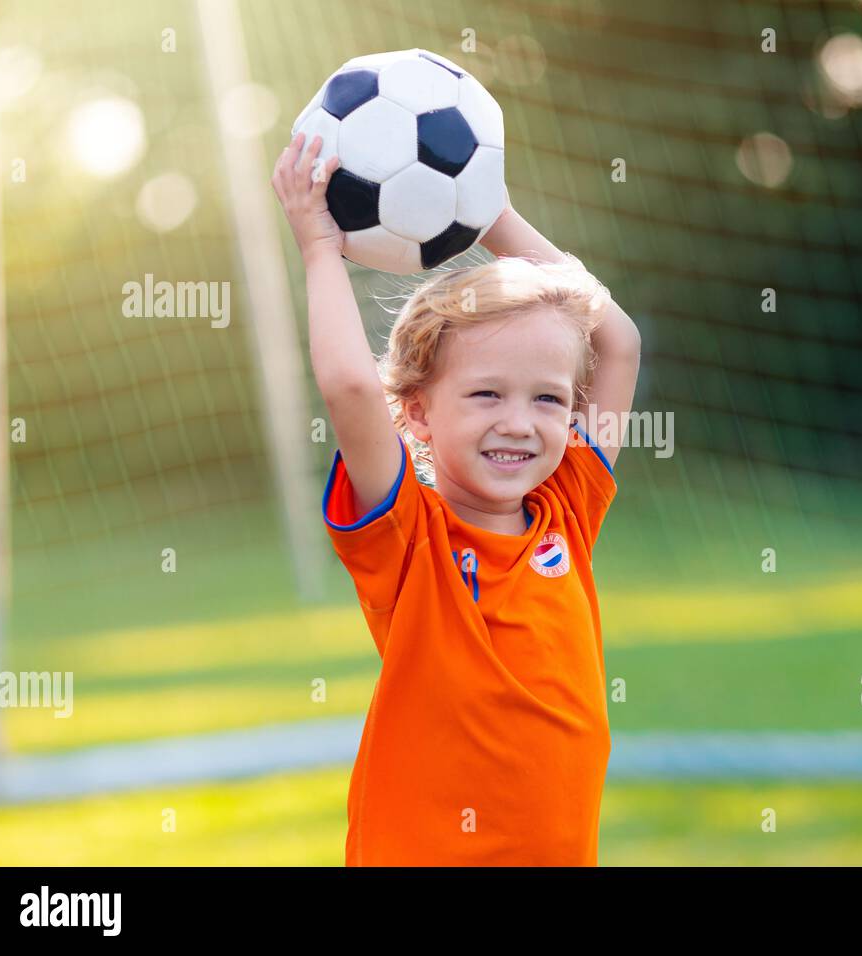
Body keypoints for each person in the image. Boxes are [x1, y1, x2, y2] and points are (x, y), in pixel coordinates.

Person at [271, 131, 642, 865]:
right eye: (484, 394)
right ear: (414, 412)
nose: (517, 422)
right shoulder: (408, 538)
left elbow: (618, 340)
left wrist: (490, 209)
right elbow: (350, 386)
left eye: (546, 397)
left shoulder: (568, 507)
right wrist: (319, 246)